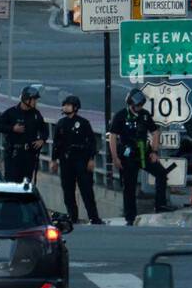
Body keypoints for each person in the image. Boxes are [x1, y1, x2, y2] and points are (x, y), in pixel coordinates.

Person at [107, 89, 171, 225]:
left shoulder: (145, 115)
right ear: (130, 104)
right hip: (127, 155)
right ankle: (130, 217)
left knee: (161, 174)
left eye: (141, 105)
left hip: (144, 153)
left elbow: (155, 132)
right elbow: (112, 137)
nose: (139, 108)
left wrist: (154, 152)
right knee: (129, 187)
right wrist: (115, 158)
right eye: (137, 105)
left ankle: (160, 206)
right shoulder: (120, 116)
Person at [51, 95, 102, 224]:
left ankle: (94, 217)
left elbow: (92, 142)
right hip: (66, 161)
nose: (65, 107)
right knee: (68, 191)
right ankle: (72, 217)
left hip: (81, 161)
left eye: (68, 105)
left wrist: (91, 158)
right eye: (65, 105)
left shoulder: (83, 123)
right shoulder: (61, 123)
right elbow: (56, 143)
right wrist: (54, 160)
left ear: (75, 107)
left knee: (86, 190)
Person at [0, 85, 48, 182]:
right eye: (34, 100)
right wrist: (12, 128)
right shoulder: (12, 112)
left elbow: (44, 129)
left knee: (26, 182)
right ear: (26, 100)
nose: (36, 102)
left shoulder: (36, 114)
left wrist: (42, 140)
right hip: (14, 154)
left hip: (29, 155)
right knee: (11, 182)